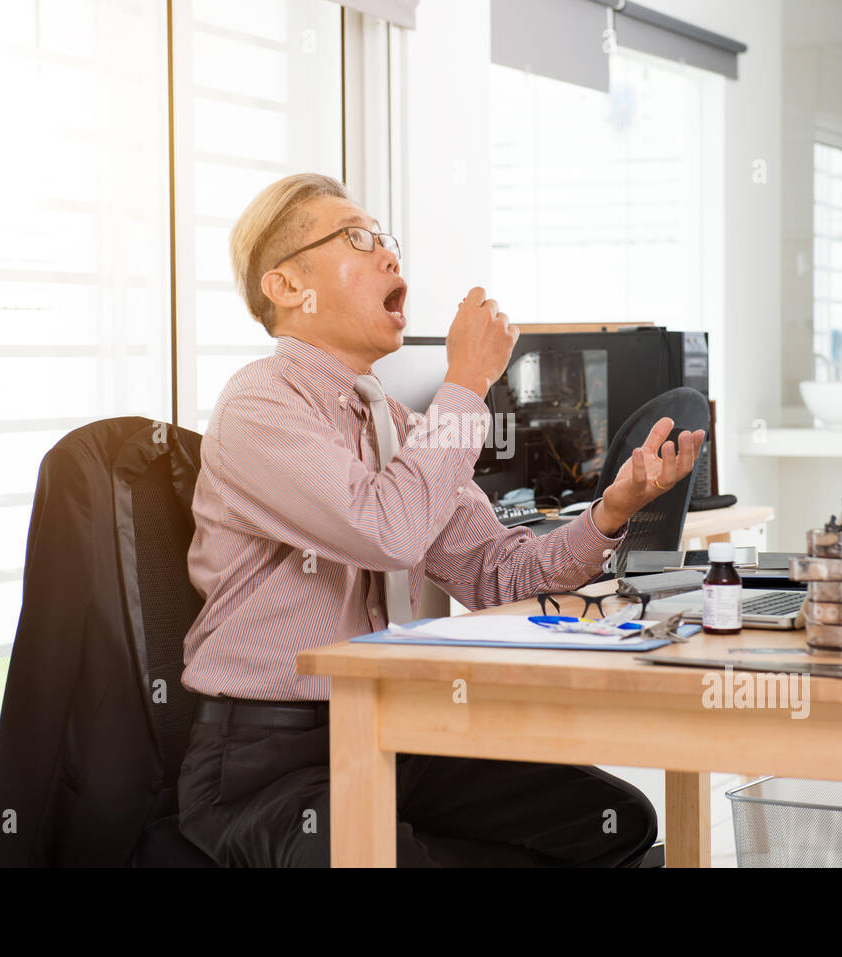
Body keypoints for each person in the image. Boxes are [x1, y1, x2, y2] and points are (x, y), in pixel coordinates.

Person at [176, 172, 705, 866]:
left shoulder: (394, 423)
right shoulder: (259, 403)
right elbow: (384, 529)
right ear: (284, 287)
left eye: (388, 241)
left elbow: (501, 574)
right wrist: (466, 383)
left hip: (389, 730)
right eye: (358, 239)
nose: (390, 257)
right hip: (264, 763)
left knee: (613, 821)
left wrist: (612, 511)